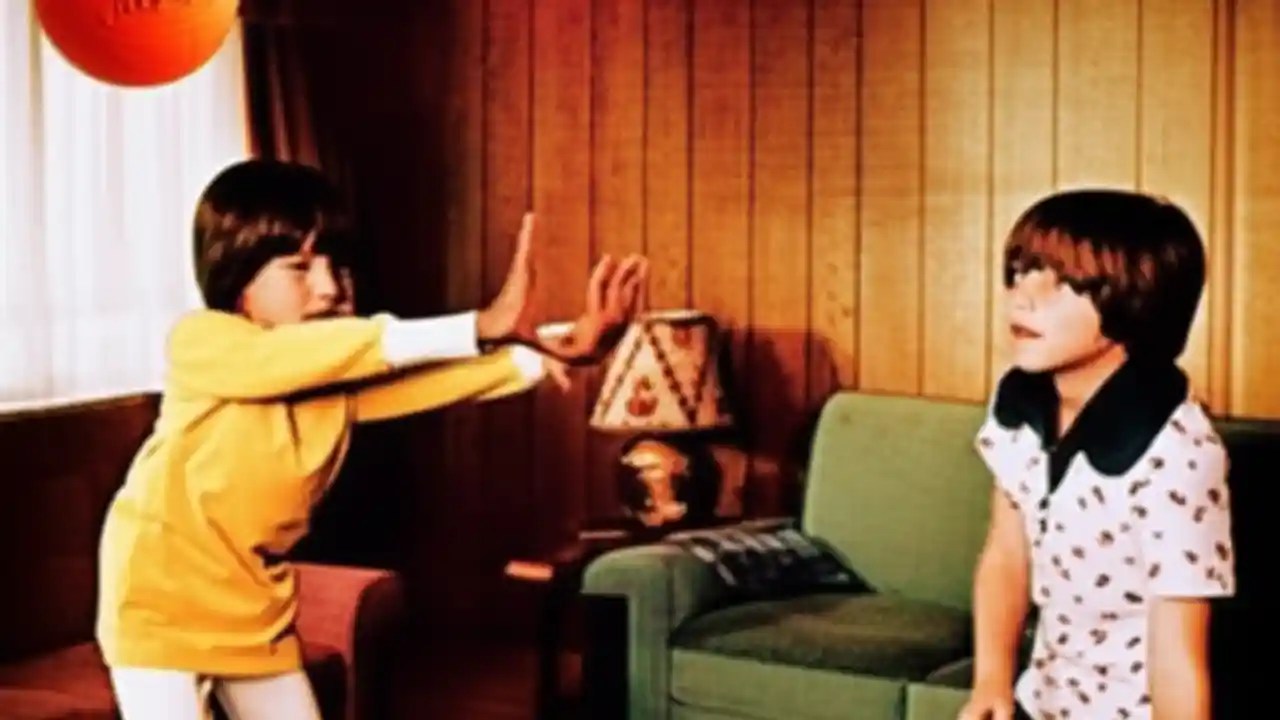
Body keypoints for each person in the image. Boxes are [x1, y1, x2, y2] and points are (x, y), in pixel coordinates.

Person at [94, 159, 647, 719]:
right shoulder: (202, 342)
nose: (330, 288)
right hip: (157, 600)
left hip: (253, 603)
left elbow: (425, 379)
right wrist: (478, 323)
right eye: (299, 267)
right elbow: (333, 352)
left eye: (339, 267)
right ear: (236, 280)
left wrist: (557, 347)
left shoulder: (334, 382)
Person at [958, 189, 1235, 720]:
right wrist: (991, 683)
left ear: (1135, 302)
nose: (1021, 297)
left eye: (1062, 283)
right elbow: (1006, 557)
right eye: (1019, 272)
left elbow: (1178, 654)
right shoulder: (1019, 401)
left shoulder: (1179, 453)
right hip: (1042, 702)